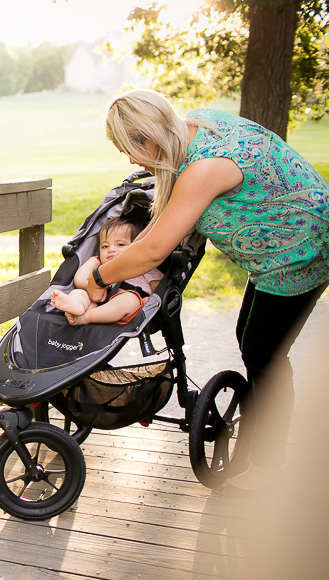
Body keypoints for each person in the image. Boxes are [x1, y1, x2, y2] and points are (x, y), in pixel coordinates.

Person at [88, 89, 329, 495]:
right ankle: (257, 433)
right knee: (251, 342)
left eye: (130, 149)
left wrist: (98, 278)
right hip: (279, 250)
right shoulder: (201, 123)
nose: (132, 160)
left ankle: (270, 465)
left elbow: (152, 250)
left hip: (301, 250)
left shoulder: (204, 168)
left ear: (149, 138)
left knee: (264, 352)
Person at [50, 217, 163, 325]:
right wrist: (94, 261)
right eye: (105, 246)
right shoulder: (101, 268)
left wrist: (150, 300)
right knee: (79, 293)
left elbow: (159, 288)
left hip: (129, 304)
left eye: (120, 244)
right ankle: (76, 305)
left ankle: (86, 317)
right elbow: (80, 281)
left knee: (129, 301)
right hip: (99, 302)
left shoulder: (144, 267)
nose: (111, 250)